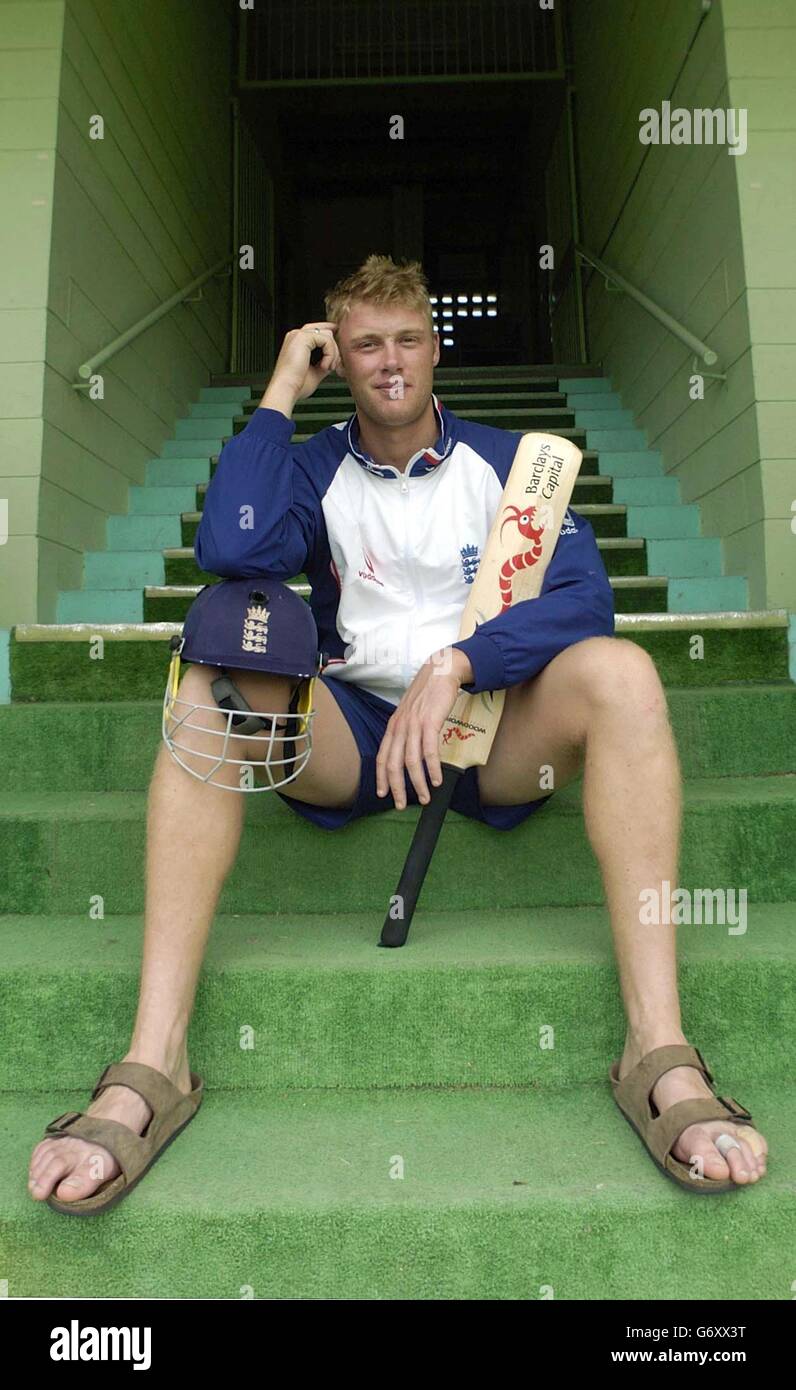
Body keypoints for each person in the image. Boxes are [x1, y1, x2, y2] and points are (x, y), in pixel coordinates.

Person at [28, 254, 767, 1213]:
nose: (389, 361)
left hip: (492, 732)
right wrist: (284, 388)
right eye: (363, 344)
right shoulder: (311, 467)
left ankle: (658, 1048)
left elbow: (588, 600)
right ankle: (153, 1057)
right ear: (341, 356)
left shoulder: (510, 463)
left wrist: (462, 662)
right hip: (353, 732)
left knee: (622, 675)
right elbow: (230, 549)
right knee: (212, 682)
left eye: (407, 339)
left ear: (434, 347)